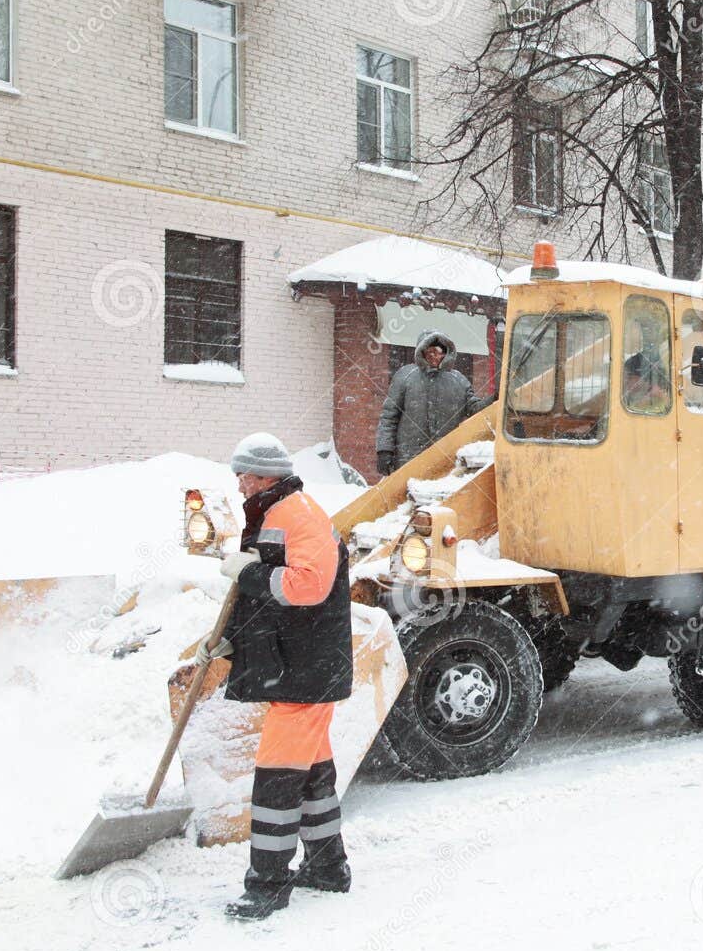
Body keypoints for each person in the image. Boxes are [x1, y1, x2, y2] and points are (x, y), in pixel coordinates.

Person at [199, 433, 354, 920]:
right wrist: (231, 640)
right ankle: (328, 868)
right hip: (298, 667)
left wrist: (246, 573)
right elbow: (266, 600)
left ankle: (266, 885)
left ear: (265, 475)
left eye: (243, 475)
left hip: (306, 671)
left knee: (277, 780)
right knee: (311, 775)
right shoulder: (272, 513)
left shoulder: (298, 515)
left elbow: (307, 588)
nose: (239, 484)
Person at [375, 331, 487, 476]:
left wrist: (497, 397)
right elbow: (389, 417)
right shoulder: (405, 377)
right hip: (408, 459)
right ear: (422, 352)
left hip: (445, 460)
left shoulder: (458, 380)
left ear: (446, 353)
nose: (435, 356)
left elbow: (475, 409)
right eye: (430, 351)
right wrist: (385, 450)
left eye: (439, 352)